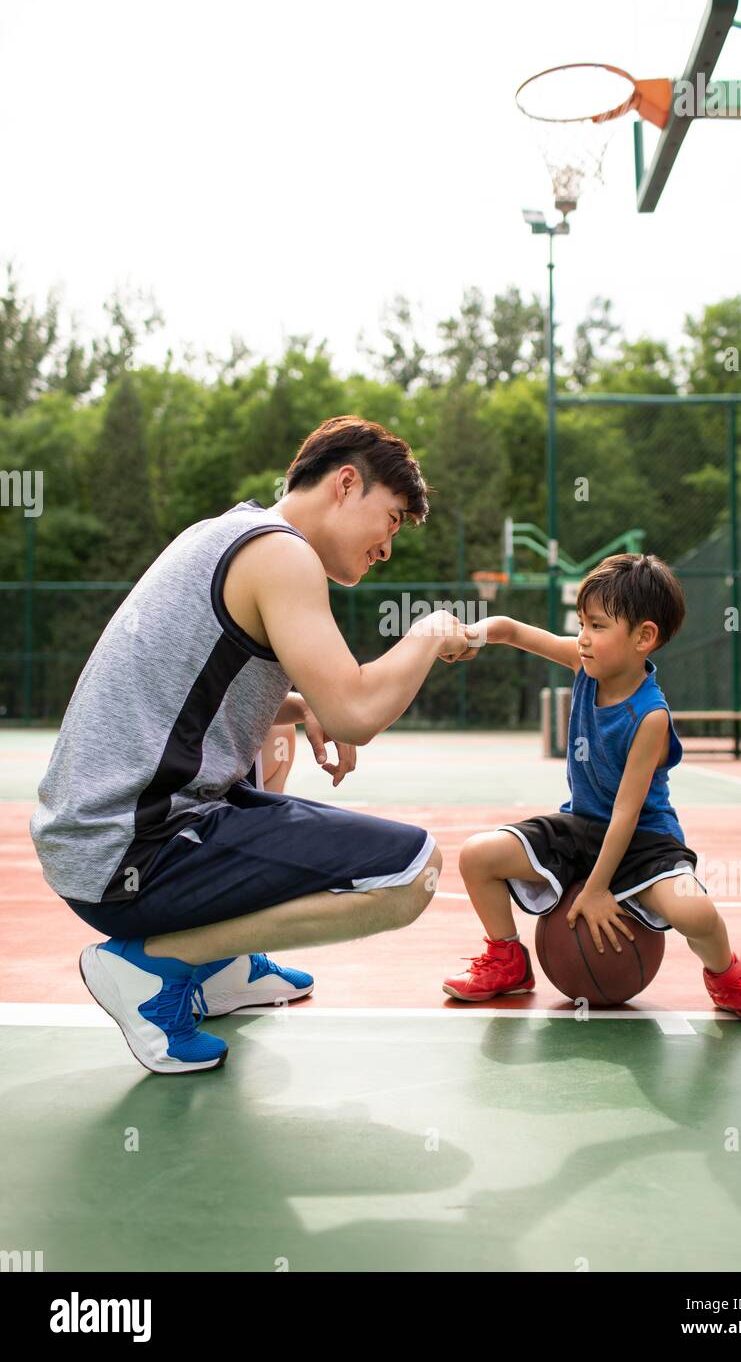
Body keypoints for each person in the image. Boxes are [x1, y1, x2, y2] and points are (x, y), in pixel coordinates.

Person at [30, 415, 476, 1074]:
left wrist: (299, 709)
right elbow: (355, 711)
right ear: (347, 482)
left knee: (269, 756)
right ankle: (155, 967)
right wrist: (430, 632)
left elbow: (196, 691)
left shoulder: (227, 533)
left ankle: (223, 966)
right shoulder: (282, 554)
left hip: (98, 840)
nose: (390, 545)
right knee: (412, 873)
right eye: (395, 517)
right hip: (127, 852)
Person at [443, 552, 741, 1029]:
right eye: (582, 623)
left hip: (645, 840)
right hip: (581, 824)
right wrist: (473, 635)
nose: (583, 638)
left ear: (643, 637)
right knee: (478, 856)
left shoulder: (650, 716)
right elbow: (512, 630)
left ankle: (727, 977)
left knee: (698, 912)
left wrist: (599, 888)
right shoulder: (585, 665)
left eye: (598, 626)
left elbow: (627, 814)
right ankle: (508, 960)